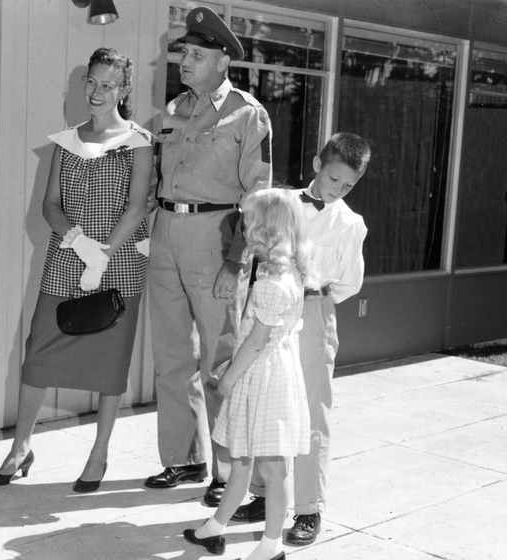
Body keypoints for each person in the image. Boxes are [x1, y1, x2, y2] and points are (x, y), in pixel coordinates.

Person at [0, 47, 153, 493]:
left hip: (119, 263)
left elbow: (136, 209)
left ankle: (98, 455)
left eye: (108, 85)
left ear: (124, 89)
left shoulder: (138, 141)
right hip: (67, 259)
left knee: (110, 364)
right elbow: (50, 204)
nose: (97, 92)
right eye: (92, 82)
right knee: (38, 354)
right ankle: (21, 447)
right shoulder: (66, 140)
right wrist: (79, 244)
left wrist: (103, 255)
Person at [144, 5, 273, 508]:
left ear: (223, 62)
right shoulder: (173, 111)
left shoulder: (247, 113)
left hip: (215, 238)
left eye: (197, 55)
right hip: (165, 234)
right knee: (171, 357)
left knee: (220, 361)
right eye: (184, 54)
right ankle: (182, 457)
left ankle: (226, 468)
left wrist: (236, 260)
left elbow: (258, 197)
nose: (186, 62)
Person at [231, 132, 371, 547]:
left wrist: (313, 301)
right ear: (316, 164)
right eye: (333, 179)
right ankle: (262, 494)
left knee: (310, 410)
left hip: (313, 310)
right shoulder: (281, 203)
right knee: (264, 401)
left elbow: (348, 283)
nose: (338, 190)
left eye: (349, 185)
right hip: (269, 305)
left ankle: (309, 507)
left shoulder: (350, 224)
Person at [182, 188, 316, 560]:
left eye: (250, 221)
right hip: (263, 371)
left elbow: (257, 341)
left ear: (267, 230)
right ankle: (215, 528)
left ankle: (272, 546)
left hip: (264, 376)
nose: (244, 227)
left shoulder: (275, 283)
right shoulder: (282, 269)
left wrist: (227, 379)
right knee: (241, 457)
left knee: (273, 468)